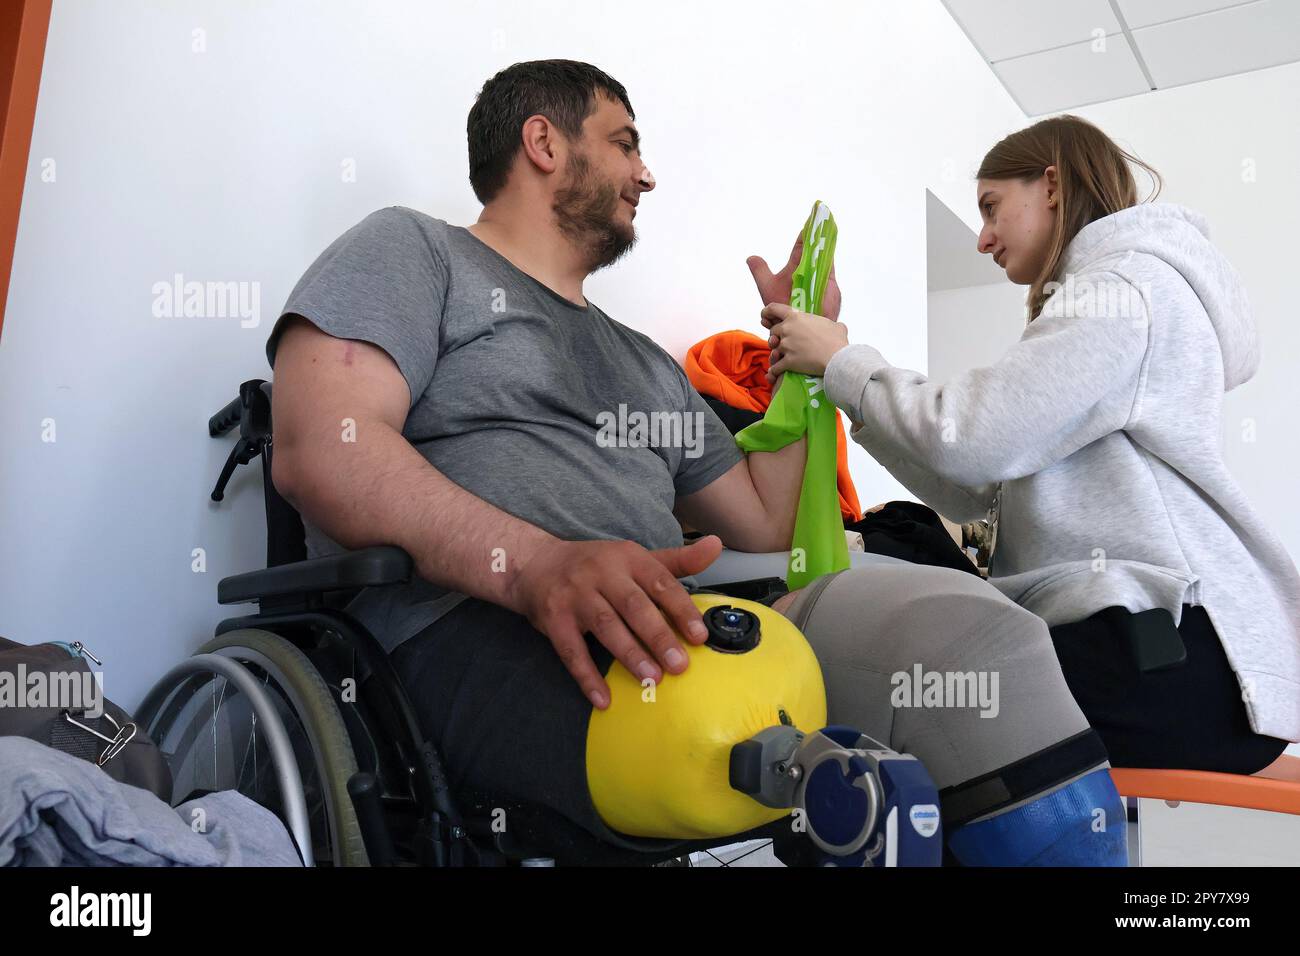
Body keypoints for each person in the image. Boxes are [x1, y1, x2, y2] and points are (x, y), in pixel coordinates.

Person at [265, 62, 1125, 865]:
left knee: (980, 641)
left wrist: (793, 353)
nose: (646, 175)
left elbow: (763, 521)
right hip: (473, 622)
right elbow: (320, 452)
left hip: (670, 616)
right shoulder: (415, 252)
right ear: (543, 143)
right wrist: (535, 566)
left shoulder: (640, 360)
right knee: (756, 754)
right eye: (626, 143)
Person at [763, 114, 1299, 779]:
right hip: (1175, 662)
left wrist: (845, 362)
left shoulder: (1124, 289)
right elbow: (978, 486)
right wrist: (840, 371)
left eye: (991, 207)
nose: (983, 237)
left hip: (1170, 661)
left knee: (909, 703)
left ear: (1052, 184)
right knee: (921, 713)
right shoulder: (1121, 290)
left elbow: (975, 438)